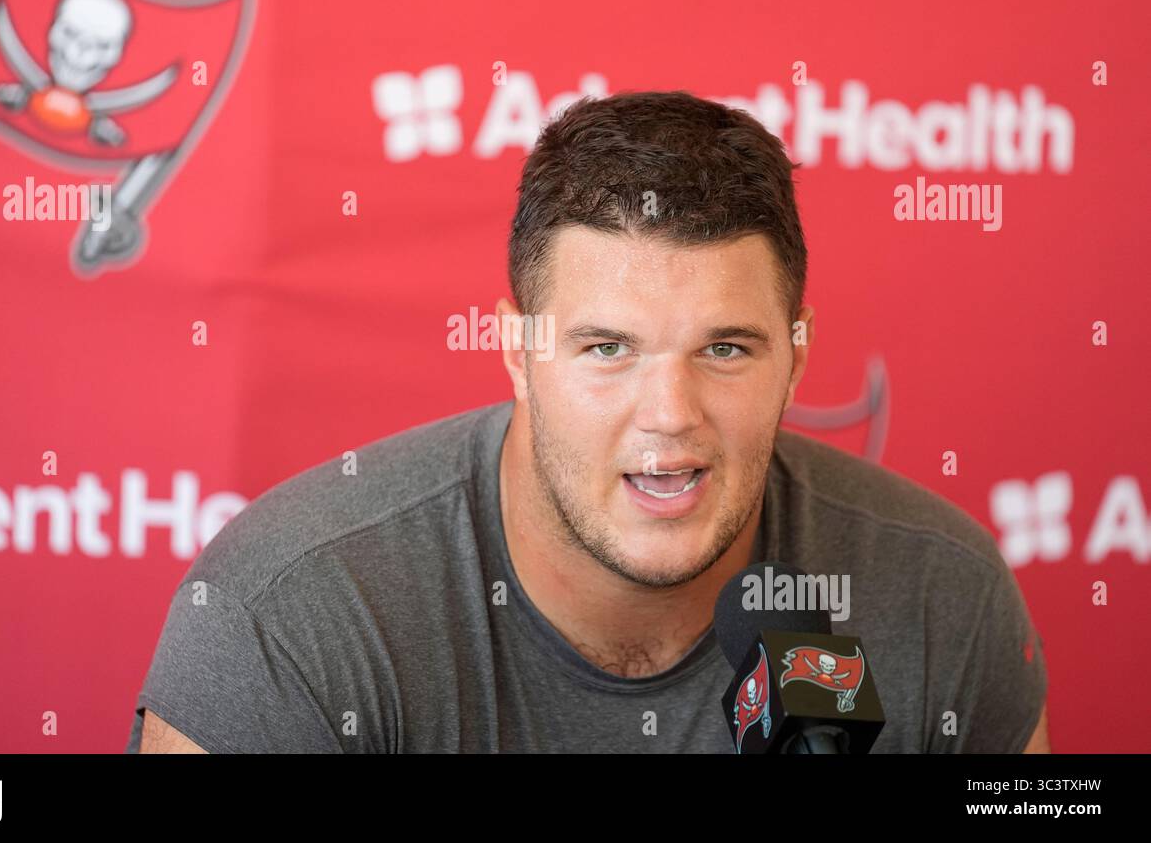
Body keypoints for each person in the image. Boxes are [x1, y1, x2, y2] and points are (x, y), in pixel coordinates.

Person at [126, 91, 1049, 753]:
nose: (671, 416)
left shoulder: (941, 597)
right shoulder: (297, 613)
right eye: (607, 349)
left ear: (797, 355)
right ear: (516, 349)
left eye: (726, 349)